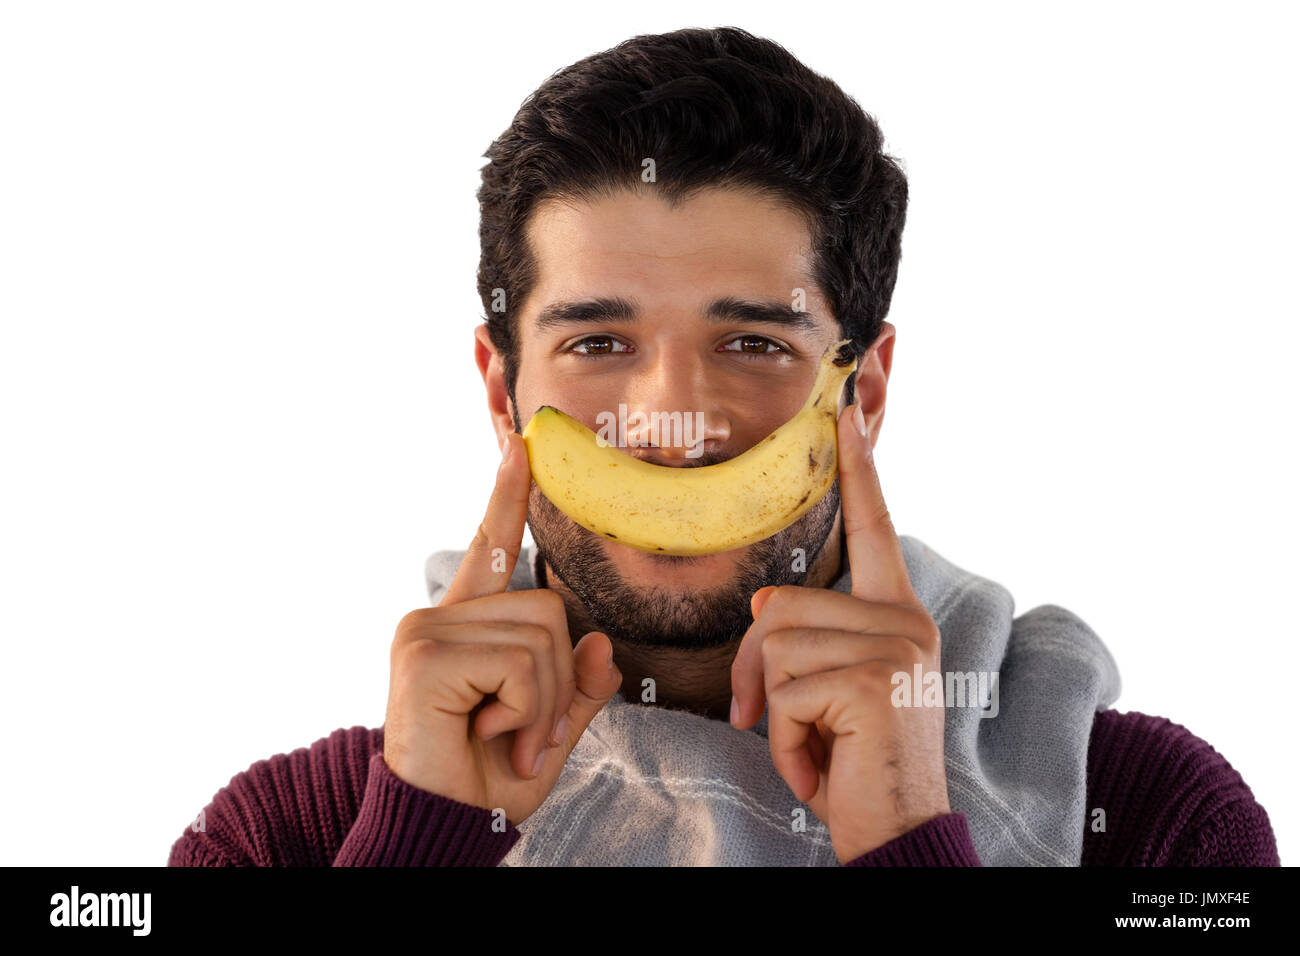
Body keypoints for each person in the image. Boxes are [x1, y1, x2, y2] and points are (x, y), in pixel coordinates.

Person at [168, 26, 1278, 867]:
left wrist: (906, 837)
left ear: (866, 391)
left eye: (751, 339)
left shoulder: (1152, 819)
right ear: (502, 394)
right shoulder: (286, 838)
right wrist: (417, 838)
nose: (673, 422)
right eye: (598, 340)